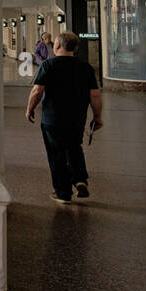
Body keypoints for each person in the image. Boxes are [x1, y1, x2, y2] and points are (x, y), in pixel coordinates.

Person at [26, 31, 102, 204]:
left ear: (57, 46)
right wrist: (97, 117)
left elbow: (37, 91)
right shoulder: (86, 68)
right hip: (76, 119)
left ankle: (63, 192)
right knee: (75, 147)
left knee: (56, 154)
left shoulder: (48, 65)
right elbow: (95, 96)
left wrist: (30, 108)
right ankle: (80, 178)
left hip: (52, 119)